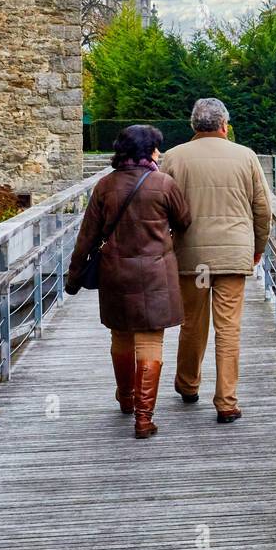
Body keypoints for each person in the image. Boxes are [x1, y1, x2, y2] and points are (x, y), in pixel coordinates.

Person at [66, 124, 190, 439]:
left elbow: (87, 237)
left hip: (115, 274)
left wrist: (74, 277)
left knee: (121, 336)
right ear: (147, 151)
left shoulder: (105, 186)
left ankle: (126, 398)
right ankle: (144, 419)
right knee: (150, 341)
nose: (159, 154)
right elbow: (184, 220)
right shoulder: (164, 184)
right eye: (156, 148)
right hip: (156, 275)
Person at [161, 98, 271, 424]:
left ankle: (188, 383)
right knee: (229, 327)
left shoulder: (174, 157)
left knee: (193, 323)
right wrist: (257, 246)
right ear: (224, 124)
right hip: (233, 255)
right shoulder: (245, 156)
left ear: (194, 125)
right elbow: (262, 209)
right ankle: (226, 401)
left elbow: (161, 207)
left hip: (193, 259)